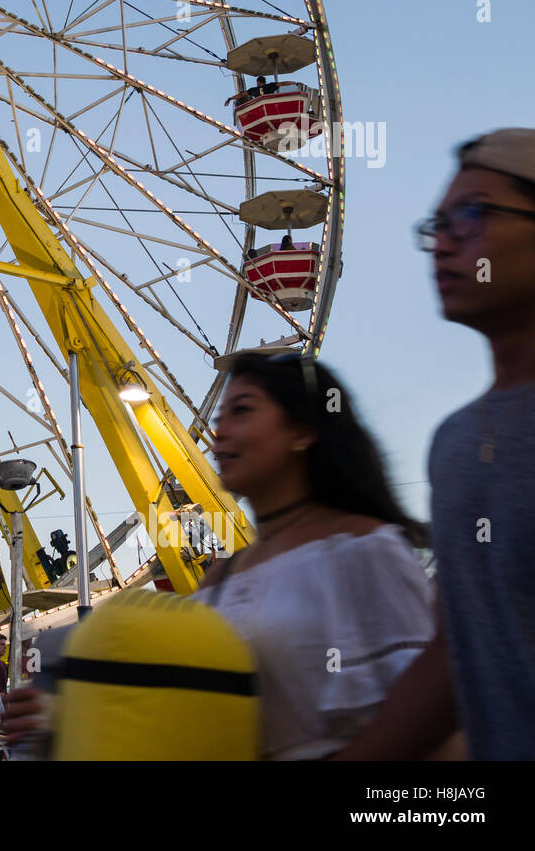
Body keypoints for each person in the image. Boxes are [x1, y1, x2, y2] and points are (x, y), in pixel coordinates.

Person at [341, 128, 535, 761]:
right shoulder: (454, 445)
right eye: (437, 224)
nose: (443, 244)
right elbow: (458, 648)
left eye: (473, 215)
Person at [193, 352, 433, 759]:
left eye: (242, 412)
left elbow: (428, 717)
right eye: (219, 418)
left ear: (302, 431)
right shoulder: (217, 581)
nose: (219, 433)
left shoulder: (364, 550)